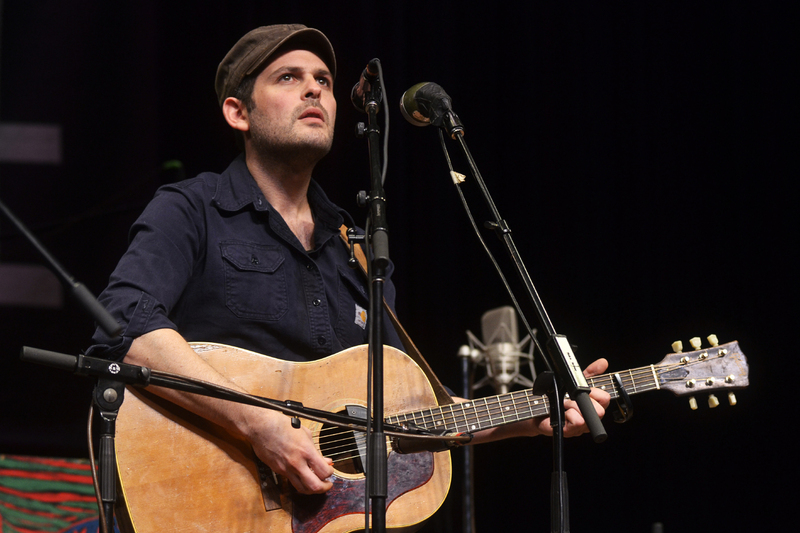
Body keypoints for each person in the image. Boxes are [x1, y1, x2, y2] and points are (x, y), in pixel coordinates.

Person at [88, 24, 610, 497]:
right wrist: (256, 424)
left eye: (323, 80)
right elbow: (125, 326)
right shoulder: (191, 208)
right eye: (289, 77)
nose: (314, 89)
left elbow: (414, 413)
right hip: (202, 494)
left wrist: (529, 417)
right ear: (238, 112)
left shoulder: (358, 247)